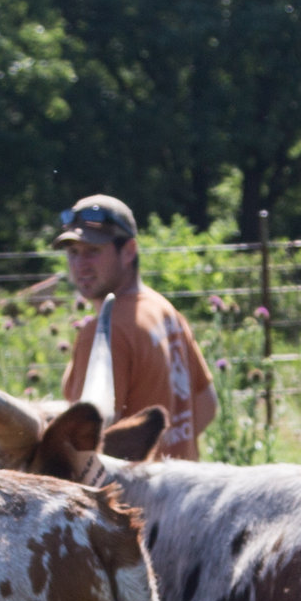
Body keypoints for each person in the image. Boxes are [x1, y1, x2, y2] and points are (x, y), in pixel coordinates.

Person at [50, 195, 215, 460]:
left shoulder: (106, 333)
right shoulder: (163, 309)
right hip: (178, 488)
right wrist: (167, 454)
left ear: (128, 251)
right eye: (73, 252)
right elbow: (207, 406)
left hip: (129, 496)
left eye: (93, 251)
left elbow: (81, 444)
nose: (80, 265)